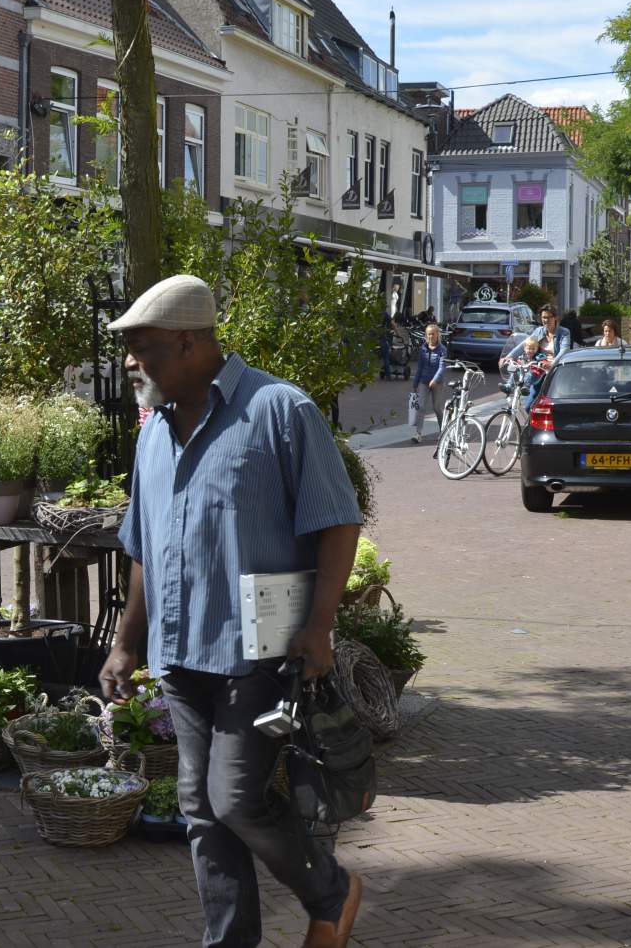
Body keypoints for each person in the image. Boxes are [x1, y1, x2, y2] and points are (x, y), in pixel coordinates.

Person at [101, 275, 366, 948]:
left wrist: (319, 624)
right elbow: (145, 547)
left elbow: (336, 521)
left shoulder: (279, 410)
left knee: (236, 798)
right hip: (179, 652)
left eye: (145, 349)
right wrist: (126, 643)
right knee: (200, 810)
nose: (134, 363)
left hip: (260, 652)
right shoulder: (152, 434)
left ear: (190, 343)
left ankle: (330, 892)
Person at [409, 323, 447, 441]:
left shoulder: (442, 349)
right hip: (424, 382)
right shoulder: (423, 349)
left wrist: (435, 380)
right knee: (420, 407)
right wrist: (415, 383)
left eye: (433, 334)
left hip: (437, 383)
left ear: (437, 335)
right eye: (428, 334)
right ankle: (418, 434)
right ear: (426, 336)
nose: (430, 337)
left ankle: (443, 432)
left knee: (437, 408)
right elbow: (420, 367)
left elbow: (442, 367)